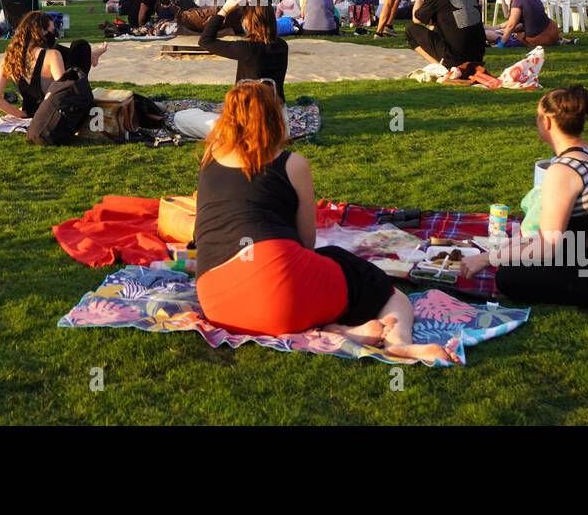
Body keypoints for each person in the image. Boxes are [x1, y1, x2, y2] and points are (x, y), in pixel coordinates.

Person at [194, 81, 461, 364]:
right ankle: (398, 342)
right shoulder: (291, 163)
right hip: (281, 291)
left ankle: (345, 331)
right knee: (380, 289)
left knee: (319, 277)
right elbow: (306, 241)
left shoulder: (210, 160)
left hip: (217, 301)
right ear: (276, 118)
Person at [461, 87, 588, 307]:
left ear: (548, 122)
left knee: (509, 276)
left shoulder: (564, 170)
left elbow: (548, 246)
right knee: (517, 258)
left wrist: (486, 258)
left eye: (538, 116)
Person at [0, 11, 107, 118]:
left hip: (30, 111)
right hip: (50, 113)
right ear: (42, 32)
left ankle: (91, 56)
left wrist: (21, 114)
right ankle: (90, 56)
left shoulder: (9, 58)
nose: (54, 35)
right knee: (80, 46)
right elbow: (63, 92)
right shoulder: (52, 56)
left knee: (71, 50)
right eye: (52, 31)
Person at [406, 0, 491, 80]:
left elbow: (416, 18)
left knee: (411, 30)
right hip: (477, 54)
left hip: (455, 57)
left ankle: (442, 66)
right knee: (435, 25)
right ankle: (446, 63)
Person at [199, 0, 290, 102]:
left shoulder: (246, 49)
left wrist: (224, 10)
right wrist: (257, 0)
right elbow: (263, 11)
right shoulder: (282, 45)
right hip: (277, 111)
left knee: (183, 117)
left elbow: (205, 41)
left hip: (248, 112)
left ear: (248, 21)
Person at [490, 0, 561, 47]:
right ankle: (562, 40)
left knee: (515, 37)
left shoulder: (518, 1)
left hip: (538, 39)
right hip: (554, 33)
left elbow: (511, 25)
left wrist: (502, 43)